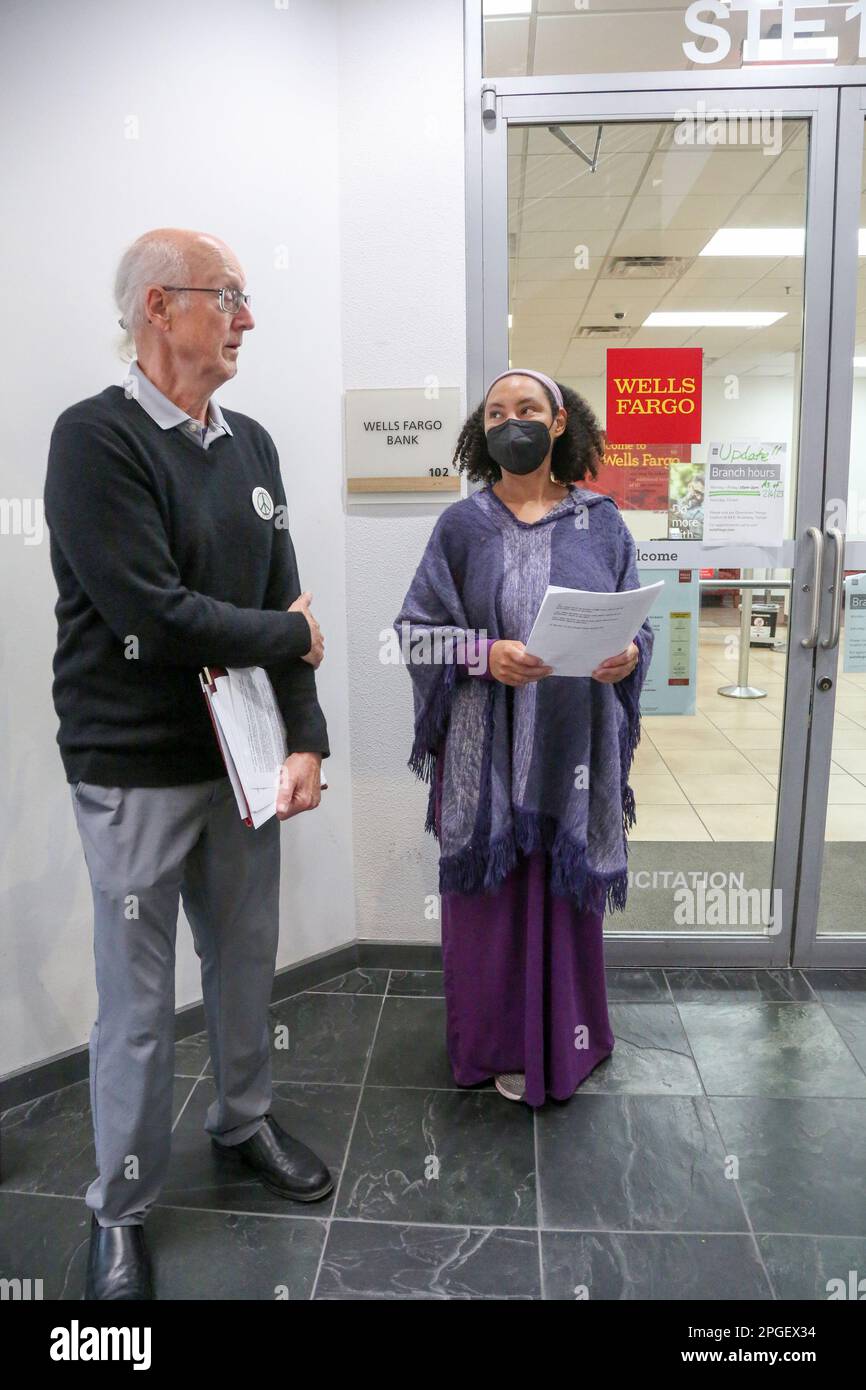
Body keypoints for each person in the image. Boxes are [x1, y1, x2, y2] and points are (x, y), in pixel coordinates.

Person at [44, 228, 332, 1301]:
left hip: (243, 764)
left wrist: (304, 735)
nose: (247, 319)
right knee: (134, 1004)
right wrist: (287, 639)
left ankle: (242, 1121)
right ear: (160, 309)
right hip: (133, 770)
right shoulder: (93, 440)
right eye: (230, 298)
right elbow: (153, 617)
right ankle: (118, 1209)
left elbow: (284, 595)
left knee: (245, 964)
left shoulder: (250, 444)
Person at [394, 369, 654, 1108]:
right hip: (488, 758)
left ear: (560, 421)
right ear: (484, 430)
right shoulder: (463, 527)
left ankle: (573, 1041)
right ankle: (497, 1047)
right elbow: (413, 633)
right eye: (498, 412)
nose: (515, 422)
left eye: (529, 409)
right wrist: (482, 655)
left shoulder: (600, 520)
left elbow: (639, 620)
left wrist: (630, 653)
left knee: (565, 900)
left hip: (574, 748)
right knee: (495, 906)